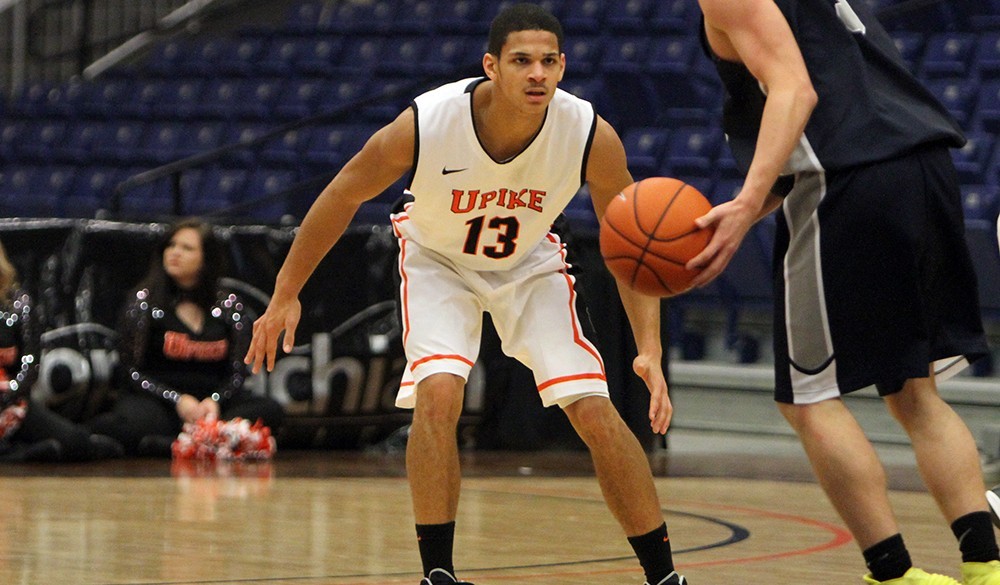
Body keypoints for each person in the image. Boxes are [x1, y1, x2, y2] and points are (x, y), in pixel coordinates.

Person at [245, 4, 685, 585]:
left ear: (562, 67)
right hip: (438, 260)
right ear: (491, 66)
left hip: (528, 263)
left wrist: (648, 346)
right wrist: (285, 294)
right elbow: (342, 193)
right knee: (439, 394)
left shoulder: (590, 135)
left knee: (595, 411)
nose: (537, 74)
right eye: (521, 61)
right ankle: (439, 575)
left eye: (549, 61)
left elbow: (629, 244)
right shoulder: (428, 122)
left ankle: (664, 577)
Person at [683, 1, 1000, 584]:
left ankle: (893, 573)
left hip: (847, 180)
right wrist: (756, 203)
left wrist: (750, 201)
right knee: (914, 393)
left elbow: (796, 92)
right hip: (925, 164)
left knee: (805, 396)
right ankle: (986, 567)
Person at [87, 218, 285, 457]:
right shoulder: (143, 303)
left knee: (271, 410)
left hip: (211, 406)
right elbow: (131, 371)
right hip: (161, 403)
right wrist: (177, 400)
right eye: (171, 246)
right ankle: (200, 439)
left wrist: (215, 401)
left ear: (206, 258)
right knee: (127, 422)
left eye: (186, 248)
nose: (175, 253)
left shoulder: (229, 307)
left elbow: (238, 371)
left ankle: (186, 440)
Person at [0, 240, 124, 462]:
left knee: (74, 441)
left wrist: (10, 394)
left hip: (9, 401)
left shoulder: (17, 305)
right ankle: (17, 455)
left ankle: (17, 448)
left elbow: (31, 364)